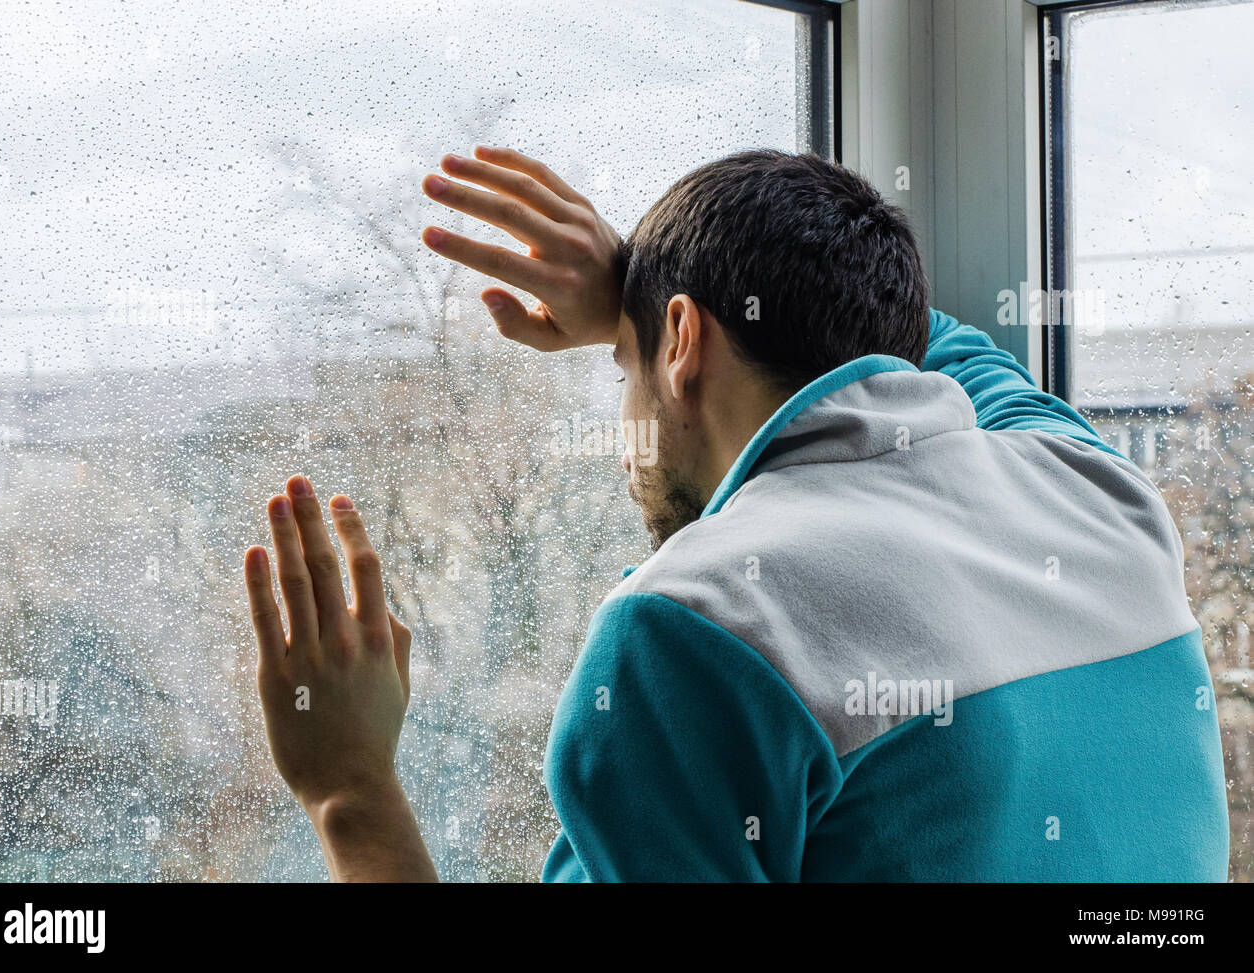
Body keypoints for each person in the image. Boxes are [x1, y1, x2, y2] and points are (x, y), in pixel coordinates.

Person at [242, 146, 1228, 882]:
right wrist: (648, 284)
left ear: (681, 344)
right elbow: (901, 324)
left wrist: (348, 790)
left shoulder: (696, 630)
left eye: (623, 367)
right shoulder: (1097, 489)